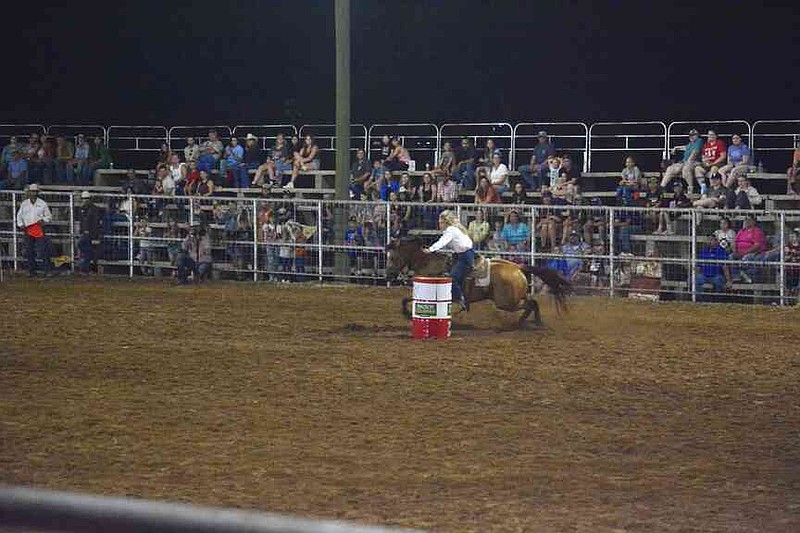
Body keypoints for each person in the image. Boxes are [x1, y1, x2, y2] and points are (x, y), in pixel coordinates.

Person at [423, 209, 474, 311]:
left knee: (452, 278)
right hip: (464, 254)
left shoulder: (451, 230)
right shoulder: (455, 229)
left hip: (464, 256)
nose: (439, 224)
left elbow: (442, 242)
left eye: (441, 222)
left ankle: (460, 299)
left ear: (446, 222)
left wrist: (431, 249)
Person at [15, 183, 52, 276]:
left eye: (35, 192)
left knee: (42, 249)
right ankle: (32, 270)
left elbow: (49, 216)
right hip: (28, 228)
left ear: (37, 193)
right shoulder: (24, 204)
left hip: (38, 228)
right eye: (32, 192)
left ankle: (47, 270)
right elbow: (19, 216)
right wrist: (21, 224)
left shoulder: (42, 203)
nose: (33, 193)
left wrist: (43, 220)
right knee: (29, 250)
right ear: (29, 193)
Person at [661, 128, 703, 193]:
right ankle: (662, 187)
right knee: (670, 169)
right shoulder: (690, 144)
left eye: (694, 135)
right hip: (684, 162)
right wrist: (676, 147)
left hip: (695, 162)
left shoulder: (699, 141)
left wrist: (687, 162)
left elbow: (694, 153)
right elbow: (685, 147)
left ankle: (691, 188)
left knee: (685, 169)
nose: (691, 137)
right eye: (690, 135)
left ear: (697, 136)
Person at [733, 213, 767, 283]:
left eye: (749, 220)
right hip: (739, 252)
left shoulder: (757, 231)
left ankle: (744, 275)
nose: (746, 221)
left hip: (753, 253)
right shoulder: (741, 231)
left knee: (747, 258)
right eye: (745, 219)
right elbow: (734, 242)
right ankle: (737, 277)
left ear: (754, 221)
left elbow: (757, 245)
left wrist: (744, 253)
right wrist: (735, 251)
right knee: (730, 257)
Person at [696, 234, 730, 299]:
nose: (709, 241)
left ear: (716, 241)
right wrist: (696, 275)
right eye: (707, 240)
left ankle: (718, 300)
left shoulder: (721, 251)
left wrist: (728, 280)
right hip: (704, 275)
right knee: (697, 279)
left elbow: (725, 267)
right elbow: (698, 267)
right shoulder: (703, 251)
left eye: (711, 240)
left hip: (717, 275)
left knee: (718, 281)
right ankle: (700, 300)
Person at [77, 191, 104, 274]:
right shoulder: (81, 209)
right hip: (85, 233)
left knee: (92, 251)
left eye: (87, 198)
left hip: (92, 233)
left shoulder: (95, 209)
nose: (85, 200)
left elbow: (96, 222)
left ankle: (89, 269)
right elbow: (82, 222)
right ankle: (86, 268)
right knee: (86, 250)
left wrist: (94, 235)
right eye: (84, 198)